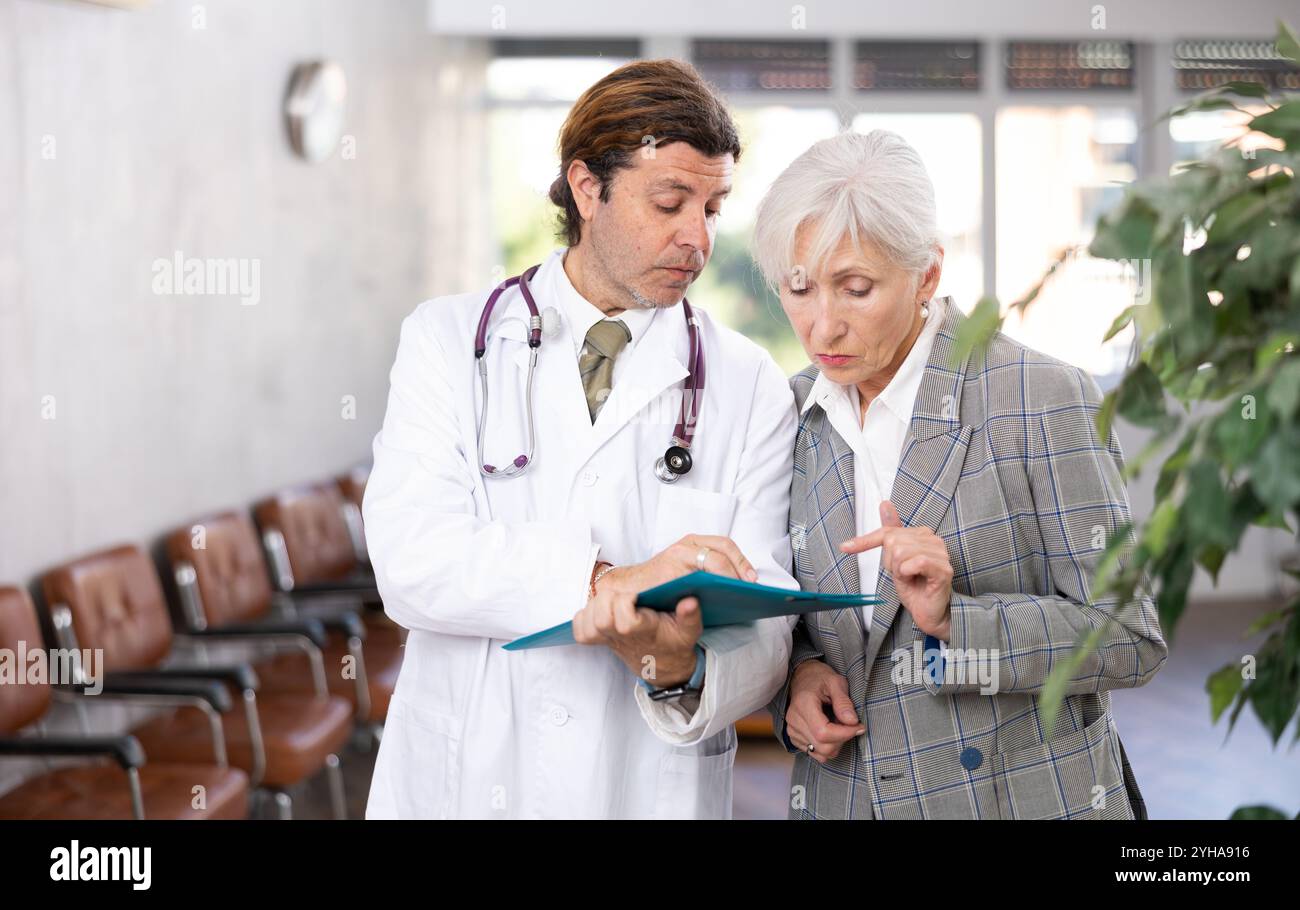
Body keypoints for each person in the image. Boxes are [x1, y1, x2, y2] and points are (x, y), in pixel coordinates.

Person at [362, 59, 798, 819]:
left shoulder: (749, 383)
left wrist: (678, 666)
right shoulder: (446, 340)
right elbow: (410, 557)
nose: (698, 238)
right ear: (588, 189)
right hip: (469, 777)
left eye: (714, 207)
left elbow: (770, 615)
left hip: (645, 782)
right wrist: (601, 583)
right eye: (670, 202)